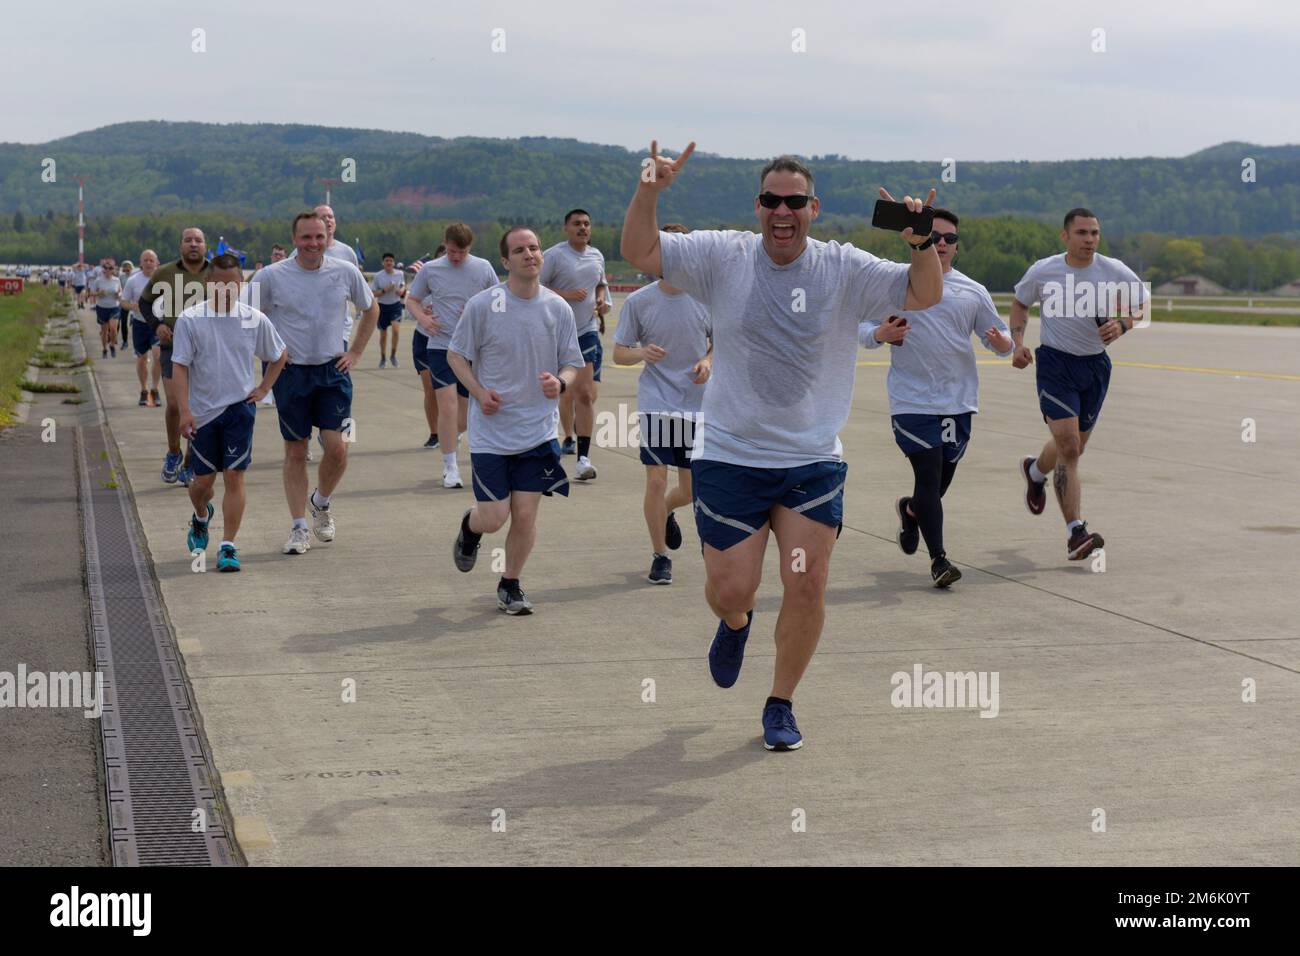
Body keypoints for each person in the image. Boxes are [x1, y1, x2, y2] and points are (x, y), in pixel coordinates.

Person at [621, 143, 943, 750]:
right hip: (730, 456)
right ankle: (736, 623)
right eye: (771, 200)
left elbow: (922, 295)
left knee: (807, 581)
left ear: (814, 208)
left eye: (795, 201)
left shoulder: (842, 266)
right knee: (733, 590)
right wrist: (650, 189)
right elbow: (639, 250)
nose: (782, 211)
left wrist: (921, 242)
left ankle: (780, 702)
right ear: (758, 206)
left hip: (811, 461)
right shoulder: (724, 255)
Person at [858, 208, 1013, 587]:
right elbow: (859, 327)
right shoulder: (895, 285)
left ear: (957, 246)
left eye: (949, 239)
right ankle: (939, 560)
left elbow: (1003, 341)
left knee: (938, 484)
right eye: (935, 236)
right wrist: (881, 334)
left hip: (957, 404)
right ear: (919, 238)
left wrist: (1002, 343)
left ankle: (911, 512)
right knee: (927, 477)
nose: (941, 244)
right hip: (912, 402)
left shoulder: (972, 291)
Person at [448, 226, 583, 614]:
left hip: (538, 433)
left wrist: (560, 382)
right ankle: (469, 528)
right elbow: (456, 355)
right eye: (520, 250)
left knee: (524, 515)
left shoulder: (557, 307)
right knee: (494, 517)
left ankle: (510, 583)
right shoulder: (484, 305)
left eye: (535, 248)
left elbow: (573, 363)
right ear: (506, 261)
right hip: (491, 432)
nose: (530, 254)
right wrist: (478, 391)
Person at [1010, 207, 1147, 561]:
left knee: (1073, 447)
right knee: (1069, 448)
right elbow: (1020, 303)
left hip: (1095, 368)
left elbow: (1143, 305)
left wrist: (1123, 324)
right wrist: (1018, 342)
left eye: (1095, 233)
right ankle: (1076, 532)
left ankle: (1034, 470)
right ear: (1065, 235)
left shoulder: (1114, 270)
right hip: (1055, 364)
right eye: (1082, 233)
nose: (1090, 240)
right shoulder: (1044, 270)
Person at [248, 211, 378, 555]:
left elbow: (371, 308)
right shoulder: (271, 277)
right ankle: (298, 527)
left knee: (339, 447)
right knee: (295, 449)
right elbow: (247, 318)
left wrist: (357, 352)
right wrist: (272, 354)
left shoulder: (345, 271)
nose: (313, 244)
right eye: (306, 237)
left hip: (335, 371)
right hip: (292, 375)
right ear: (294, 239)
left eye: (319, 237)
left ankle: (320, 502)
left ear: (327, 237)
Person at [173, 254, 288, 572]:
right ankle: (200, 516)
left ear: (241, 285)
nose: (226, 290)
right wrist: (184, 411)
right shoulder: (190, 319)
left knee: (235, 476)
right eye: (219, 284)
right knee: (202, 484)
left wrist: (264, 389)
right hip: (203, 413)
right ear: (208, 284)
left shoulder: (254, 318)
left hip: (239, 409)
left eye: (232, 284)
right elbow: (180, 367)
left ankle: (228, 546)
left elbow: (279, 355)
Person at [612, 223, 713, 585]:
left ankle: (667, 511)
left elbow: (721, 344)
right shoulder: (640, 302)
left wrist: (708, 362)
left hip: (696, 404)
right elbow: (619, 354)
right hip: (656, 402)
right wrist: (641, 352)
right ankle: (660, 556)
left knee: (690, 490)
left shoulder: (705, 299)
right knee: (656, 480)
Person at [406, 224, 500, 488]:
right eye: (451, 251)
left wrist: (478, 315)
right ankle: (450, 467)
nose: (456, 257)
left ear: (470, 248)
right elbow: (412, 300)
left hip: (473, 349)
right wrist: (423, 318)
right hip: (441, 346)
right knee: (446, 406)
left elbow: (499, 301)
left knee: (465, 415)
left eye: (462, 252)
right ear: (444, 245)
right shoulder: (431, 269)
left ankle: (454, 435)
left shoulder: (483, 268)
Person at [140, 227, 213, 486]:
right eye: (188, 240)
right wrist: (157, 325)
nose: (193, 244)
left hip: (205, 348)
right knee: (174, 403)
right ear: (181, 245)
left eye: (198, 240)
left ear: (205, 245)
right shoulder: (165, 273)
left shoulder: (215, 273)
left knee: (198, 407)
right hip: (173, 345)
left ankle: (191, 460)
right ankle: (173, 452)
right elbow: (145, 302)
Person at [541, 209, 606, 479]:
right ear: (566, 228)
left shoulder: (597, 255)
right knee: (560, 393)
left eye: (587, 224)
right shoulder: (555, 255)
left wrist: (600, 299)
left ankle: (583, 459)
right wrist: (566, 294)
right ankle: (557, 444)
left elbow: (600, 284)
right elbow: (537, 287)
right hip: (556, 333)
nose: (583, 228)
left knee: (585, 393)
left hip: (587, 330)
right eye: (577, 224)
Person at [120, 249, 162, 407]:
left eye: (152, 260)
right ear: (141, 263)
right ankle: (144, 390)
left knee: (158, 356)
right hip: (139, 323)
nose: (149, 263)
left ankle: (155, 389)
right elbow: (123, 302)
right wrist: (133, 306)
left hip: (157, 323)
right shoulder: (133, 280)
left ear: (157, 263)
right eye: (146, 260)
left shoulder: (163, 279)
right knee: (142, 359)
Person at [371, 252, 405, 368]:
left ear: (394, 263)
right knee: (383, 335)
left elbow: (403, 286)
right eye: (386, 261)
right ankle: (383, 358)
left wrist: (401, 291)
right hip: (382, 307)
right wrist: (385, 290)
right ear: (383, 263)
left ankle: (393, 355)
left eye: (391, 261)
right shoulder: (378, 276)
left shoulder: (399, 274)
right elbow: (374, 293)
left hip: (395, 305)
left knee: (396, 330)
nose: (389, 263)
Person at [90, 258, 122, 359]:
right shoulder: (98, 280)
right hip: (102, 307)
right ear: (103, 269)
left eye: (110, 268)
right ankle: (104, 349)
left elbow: (120, 291)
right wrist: (99, 293)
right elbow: (91, 293)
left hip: (114, 307)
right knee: (104, 331)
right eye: (106, 268)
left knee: (113, 329)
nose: (108, 270)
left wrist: (118, 294)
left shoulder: (116, 280)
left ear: (113, 270)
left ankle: (112, 345)